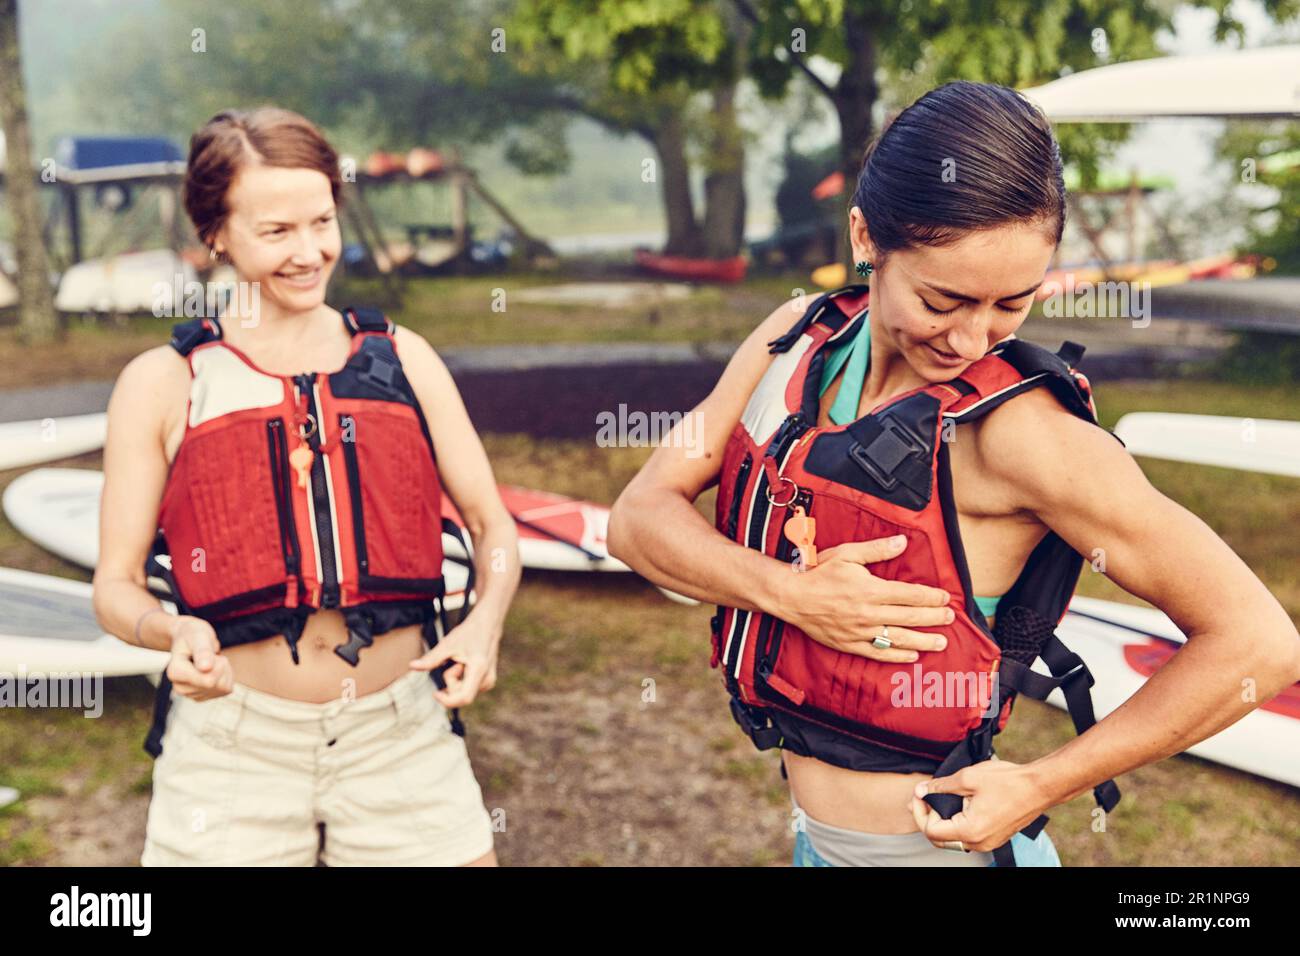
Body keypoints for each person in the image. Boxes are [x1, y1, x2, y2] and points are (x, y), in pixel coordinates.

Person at [608, 81, 1300, 867]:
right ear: (866, 238)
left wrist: (1042, 784)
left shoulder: (1023, 439)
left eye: (1014, 302)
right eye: (943, 298)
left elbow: (1258, 643)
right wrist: (790, 593)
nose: (972, 337)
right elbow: (638, 520)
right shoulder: (795, 344)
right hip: (819, 846)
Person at [92, 107, 521, 866]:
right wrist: (172, 632)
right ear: (214, 233)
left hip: (399, 735)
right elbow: (117, 585)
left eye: (322, 221)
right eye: (276, 231)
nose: (309, 251)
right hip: (233, 748)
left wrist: (484, 625)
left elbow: (494, 527)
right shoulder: (161, 383)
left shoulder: (404, 359)